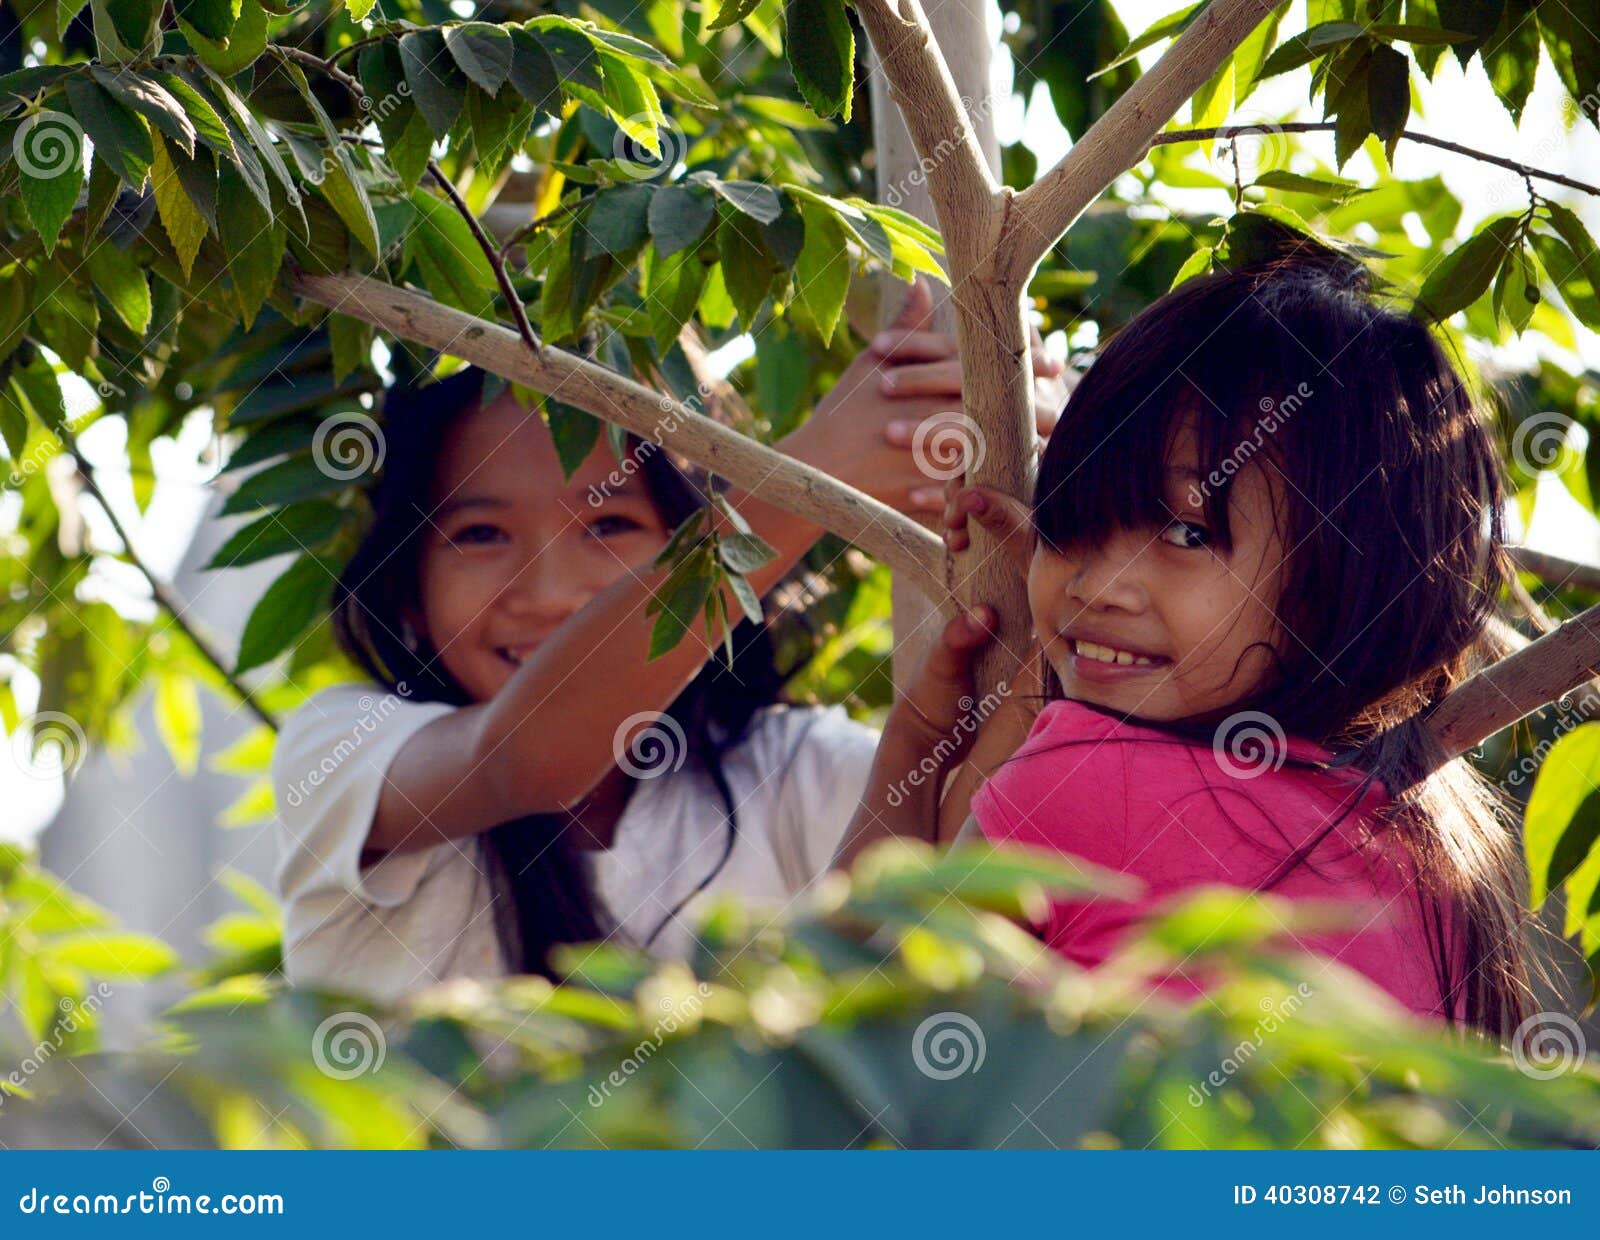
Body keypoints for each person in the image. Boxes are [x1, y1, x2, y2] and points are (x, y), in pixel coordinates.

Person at [271, 279, 1066, 1000]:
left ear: (682, 531)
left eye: (609, 523)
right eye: (480, 534)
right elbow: (524, 758)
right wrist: (808, 479)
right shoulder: (343, 750)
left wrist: (1066, 496)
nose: (550, 593)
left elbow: (980, 867)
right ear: (407, 590)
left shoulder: (791, 772)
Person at [843, 252, 1535, 1036]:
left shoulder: (1083, 782)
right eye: (1072, 522)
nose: (1096, 589)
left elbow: (852, 1042)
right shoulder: (1447, 849)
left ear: (1353, 569)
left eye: (1184, 531)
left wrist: (916, 739)